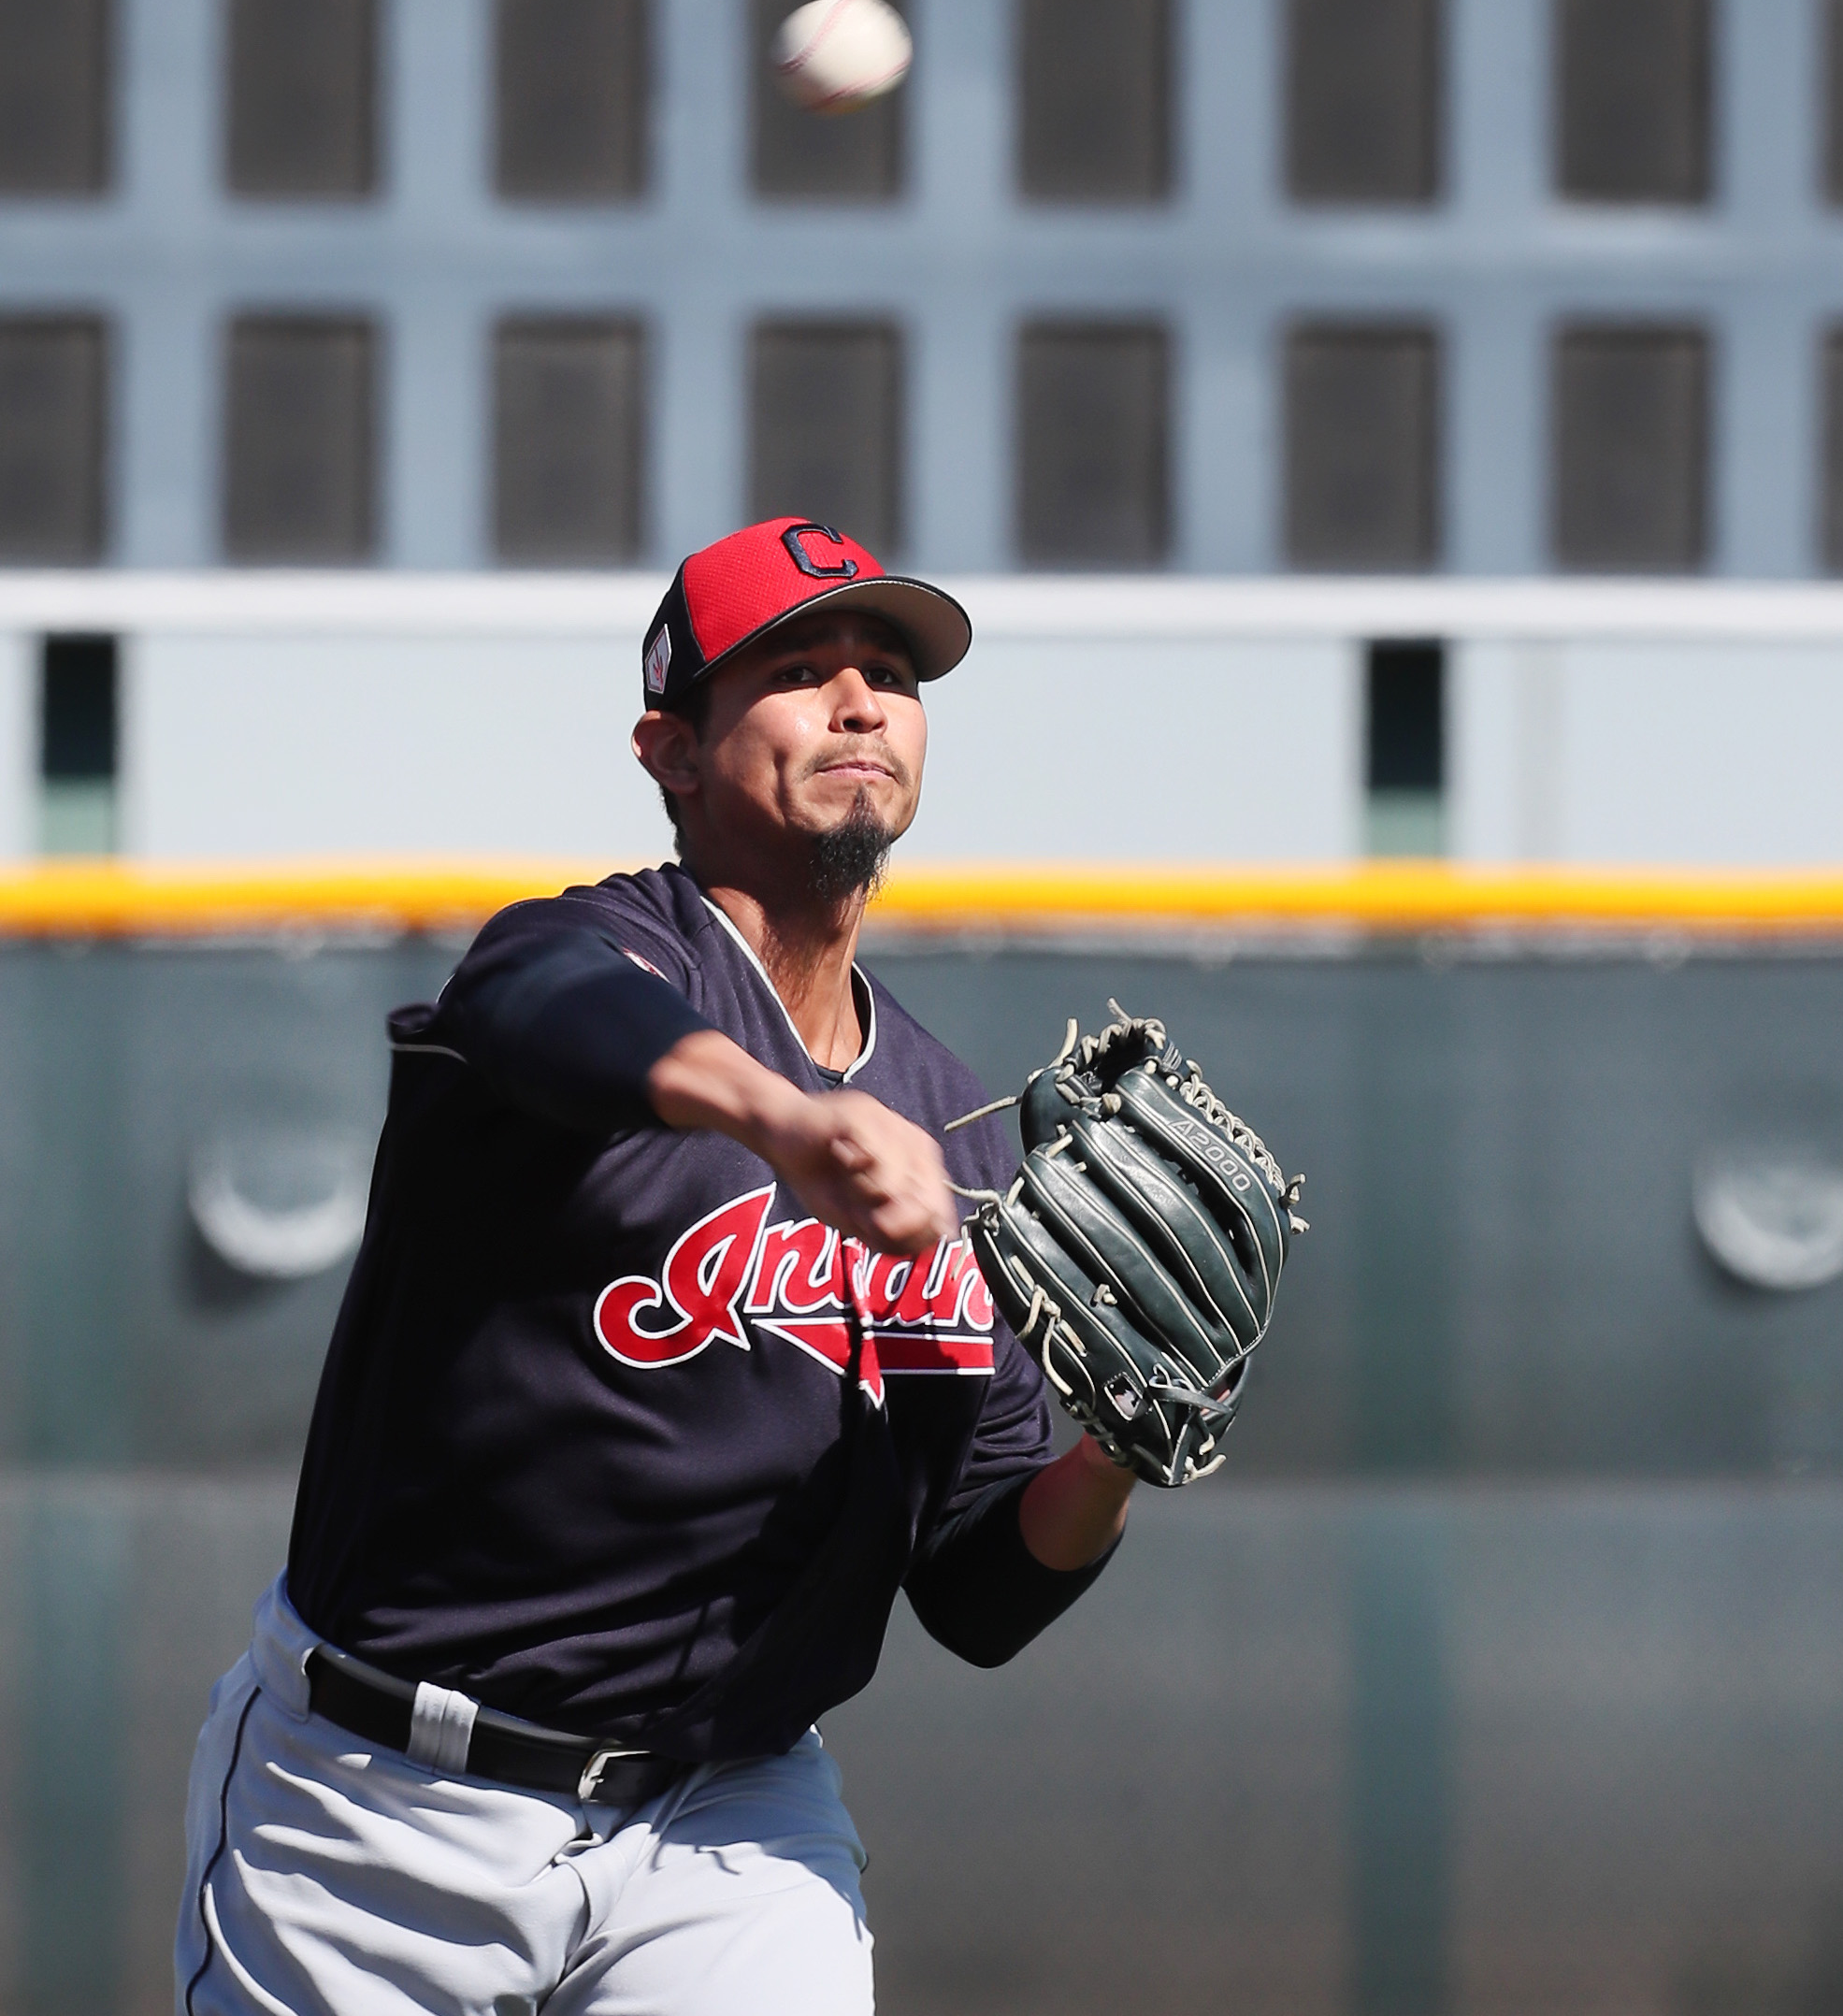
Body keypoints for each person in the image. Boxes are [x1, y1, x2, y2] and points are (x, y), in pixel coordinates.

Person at [178, 515, 1133, 2016]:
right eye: (798, 669)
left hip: (733, 1825)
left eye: (889, 670)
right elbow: (547, 1012)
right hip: (388, 1804)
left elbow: (979, 1591)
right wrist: (782, 1118)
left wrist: (1121, 1454)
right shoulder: (589, 959)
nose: (859, 701)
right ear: (671, 753)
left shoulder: (957, 1130)